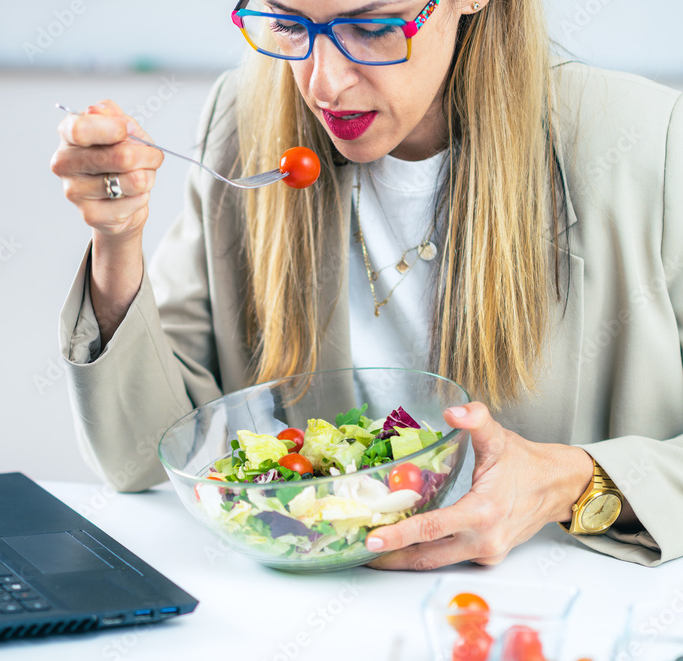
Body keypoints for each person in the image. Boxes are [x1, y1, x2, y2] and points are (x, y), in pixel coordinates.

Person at [51, 0, 683, 569]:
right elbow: (140, 455)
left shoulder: (649, 144)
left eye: (373, 26)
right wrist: (118, 241)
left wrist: (571, 482)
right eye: (288, 23)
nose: (324, 83)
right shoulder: (240, 126)